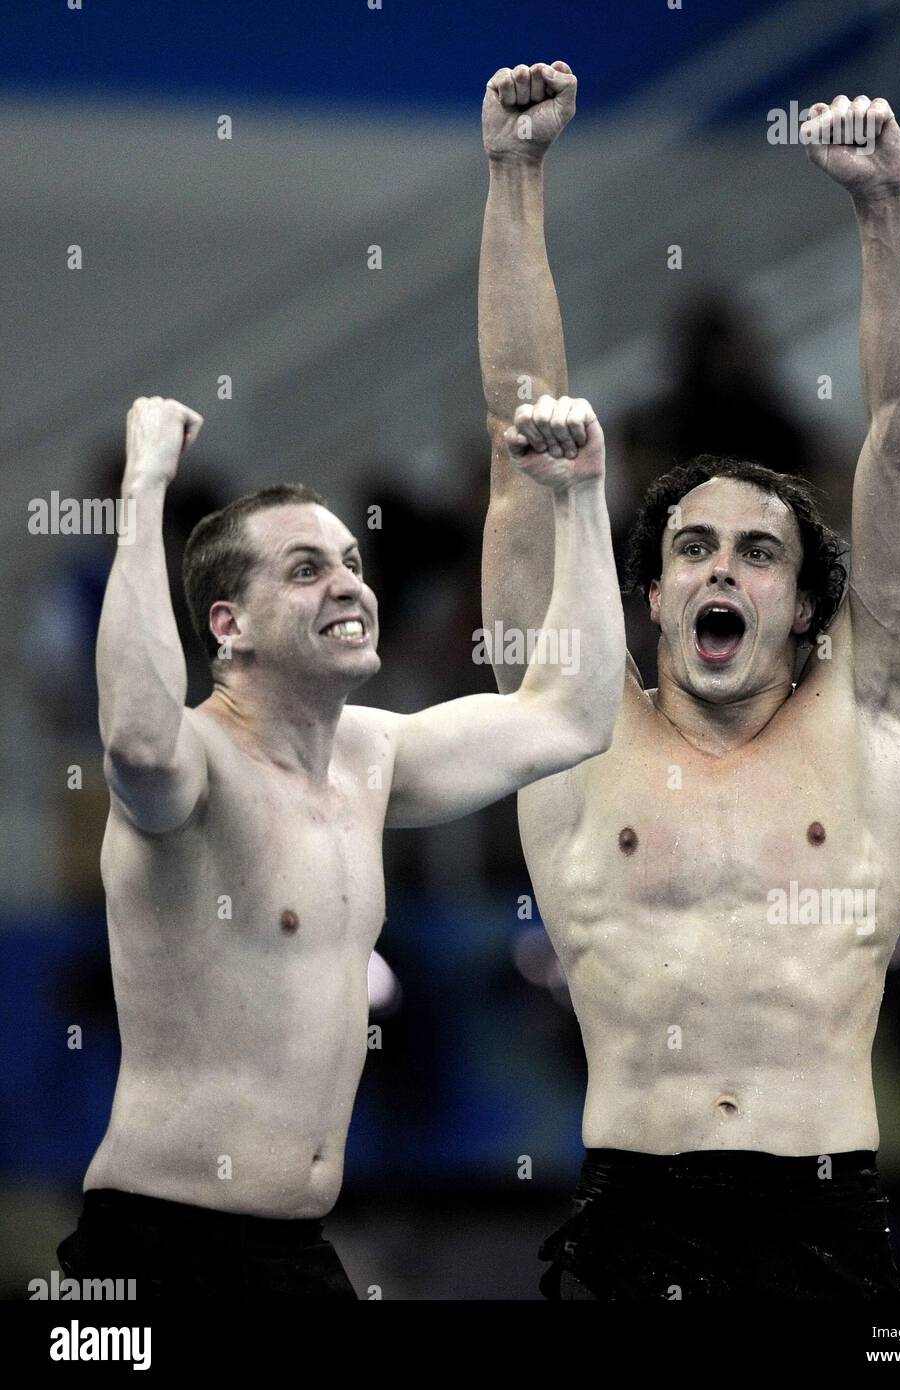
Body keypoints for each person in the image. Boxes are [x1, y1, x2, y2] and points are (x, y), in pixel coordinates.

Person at [479, 65, 900, 1299]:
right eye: (689, 548)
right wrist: (514, 176)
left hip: (823, 1215)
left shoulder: (874, 715)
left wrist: (884, 208)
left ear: (803, 605)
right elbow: (519, 439)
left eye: (756, 551)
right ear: (647, 596)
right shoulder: (569, 730)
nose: (717, 570)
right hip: (632, 1212)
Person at [57, 391, 623, 1297]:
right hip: (159, 1250)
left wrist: (581, 496)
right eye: (306, 568)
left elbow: (572, 717)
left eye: (351, 562)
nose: (349, 584)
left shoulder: (372, 756)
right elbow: (133, 736)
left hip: (293, 1248)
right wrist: (146, 486)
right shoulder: (195, 765)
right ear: (227, 627)